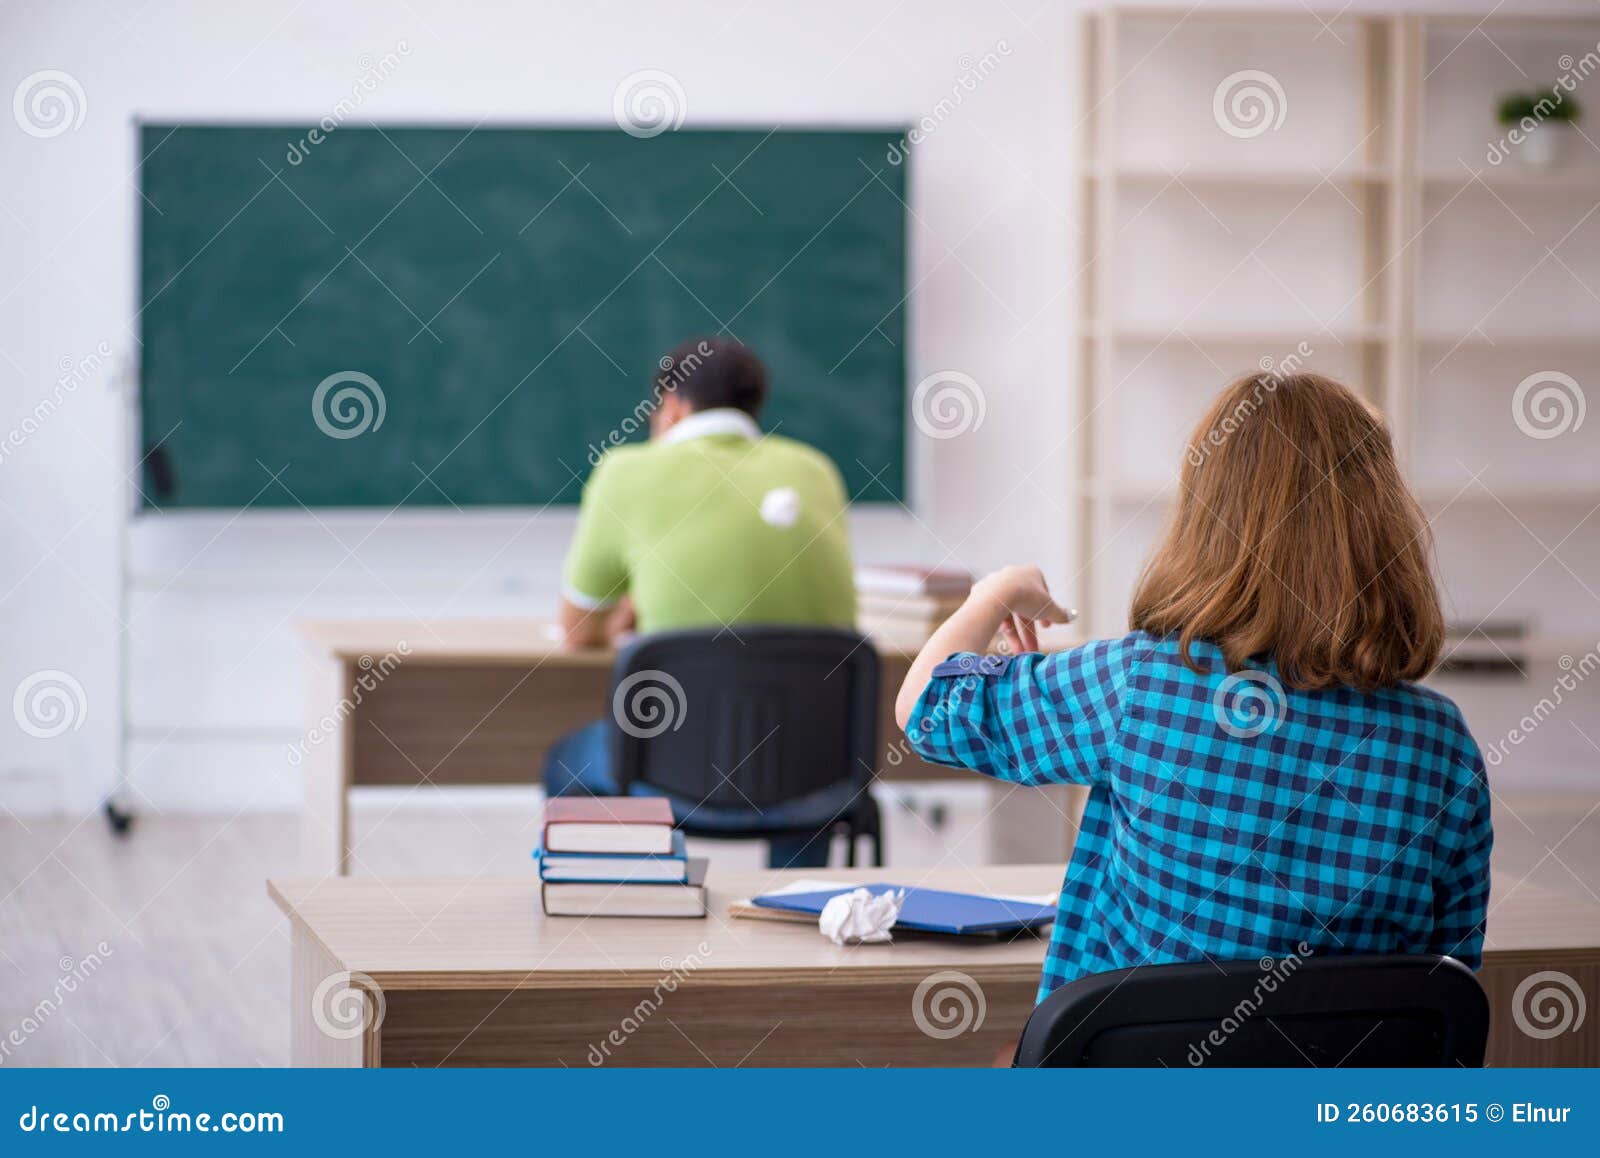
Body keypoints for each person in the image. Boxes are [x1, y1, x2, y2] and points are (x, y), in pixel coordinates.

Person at [895, 371, 1492, 1004]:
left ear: (1206, 522)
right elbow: (1448, 981)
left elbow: (924, 709)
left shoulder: (1136, 684)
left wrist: (995, 594)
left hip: (1132, 1067)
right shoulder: (1442, 744)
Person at [546, 337, 858, 868]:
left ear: (671, 406)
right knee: (797, 740)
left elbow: (578, 632)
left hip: (672, 778)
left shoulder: (626, 471)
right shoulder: (815, 471)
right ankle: (797, 902)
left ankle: (629, 903)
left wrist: (629, 610)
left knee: (566, 762)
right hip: (817, 782)